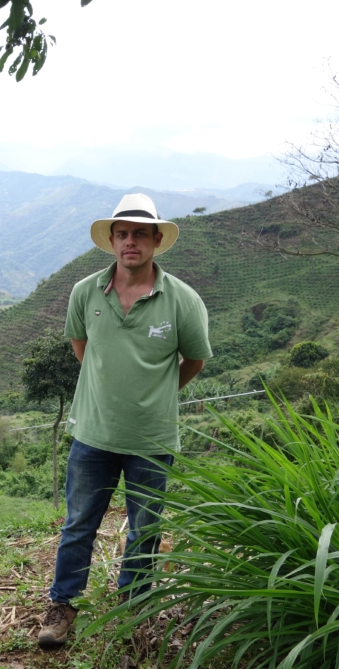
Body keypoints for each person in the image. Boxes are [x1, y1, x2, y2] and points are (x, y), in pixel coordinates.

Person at [37, 193, 212, 650]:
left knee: (145, 527)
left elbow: (194, 359)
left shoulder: (183, 300)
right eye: (122, 233)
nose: (129, 241)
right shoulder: (85, 293)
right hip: (93, 434)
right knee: (79, 524)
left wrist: (154, 394)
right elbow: (82, 348)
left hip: (152, 438)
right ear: (111, 241)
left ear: (157, 239)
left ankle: (133, 607)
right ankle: (63, 605)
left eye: (139, 233)